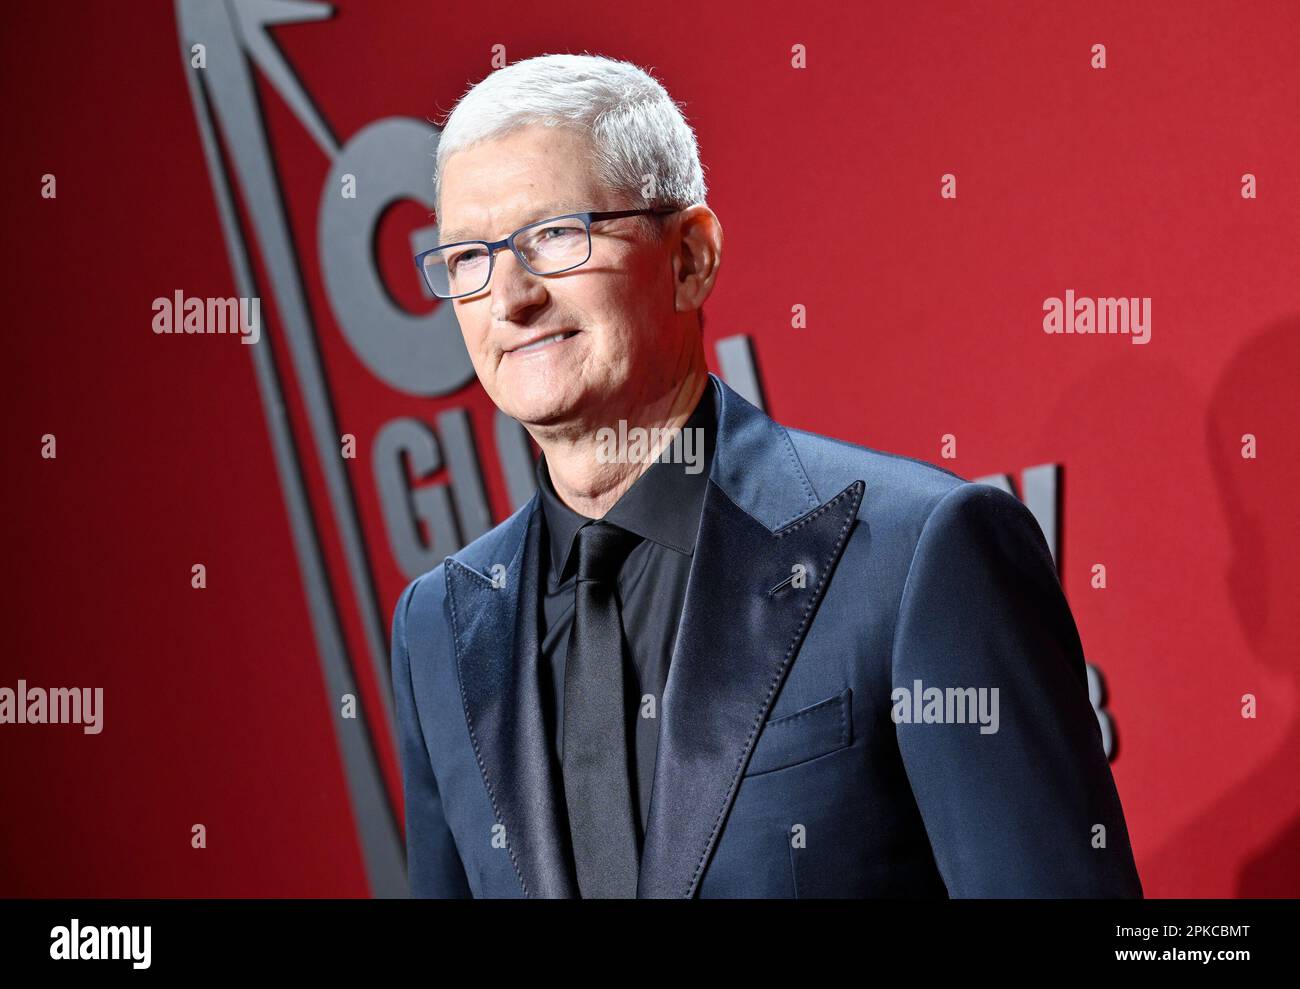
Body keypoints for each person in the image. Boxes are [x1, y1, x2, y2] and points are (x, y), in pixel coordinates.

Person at [391, 52, 1143, 898]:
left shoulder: (916, 557)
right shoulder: (438, 627)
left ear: (690, 258)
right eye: (468, 258)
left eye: (556, 236)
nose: (509, 298)